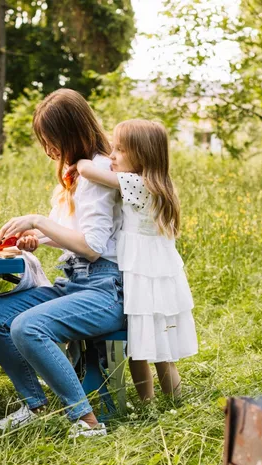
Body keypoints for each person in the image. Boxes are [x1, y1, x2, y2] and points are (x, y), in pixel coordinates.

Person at [0, 89, 124, 438]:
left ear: (71, 132)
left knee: (28, 327)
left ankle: (86, 422)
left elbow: (93, 247)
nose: (48, 149)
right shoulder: (75, 174)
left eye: (51, 139)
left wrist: (39, 222)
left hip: (106, 289)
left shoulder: (97, 172)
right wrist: (38, 239)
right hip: (75, 281)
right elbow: (74, 236)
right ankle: (34, 406)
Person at [75, 119, 197, 400]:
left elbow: (88, 171)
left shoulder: (137, 183)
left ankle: (151, 404)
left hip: (143, 277)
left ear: (142, 156)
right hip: (158, 276)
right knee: (160, 350)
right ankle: (172, 404)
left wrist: (80, 160)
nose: (112, 156)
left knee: (141, 349)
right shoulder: (159, 185)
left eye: (120, 150)